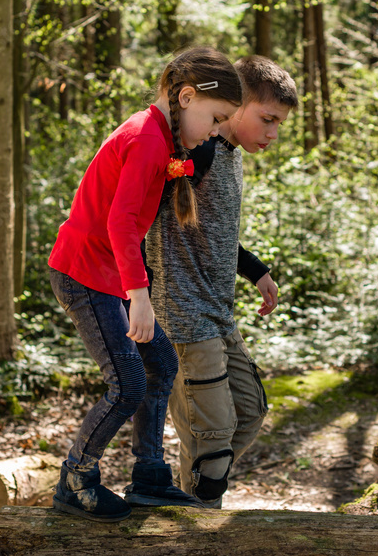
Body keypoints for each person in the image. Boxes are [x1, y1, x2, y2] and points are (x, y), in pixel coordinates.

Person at [47, 46, 243, 522]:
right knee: (128, 383)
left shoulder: (162, 137)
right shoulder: (147, 138)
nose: (216, 132)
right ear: (187, 96)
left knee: (159, 364)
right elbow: (120, 222)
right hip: (83, 273)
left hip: (108, 275)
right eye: (216, 119)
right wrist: (140, 297)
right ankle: (76, 479)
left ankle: (149, 474)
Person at [144, 55, 298, 508]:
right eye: (267, 119)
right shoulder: (201, 153)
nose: (272, 133)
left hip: (219, 315)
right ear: (236, 104)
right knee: (212, 446)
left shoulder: (231, 159)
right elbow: (149, 214)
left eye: (279, 124)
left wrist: (256, 270)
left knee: (249, 412)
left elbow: (213, 233)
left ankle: (190, 496)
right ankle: (195, 522)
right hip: (185, 321)